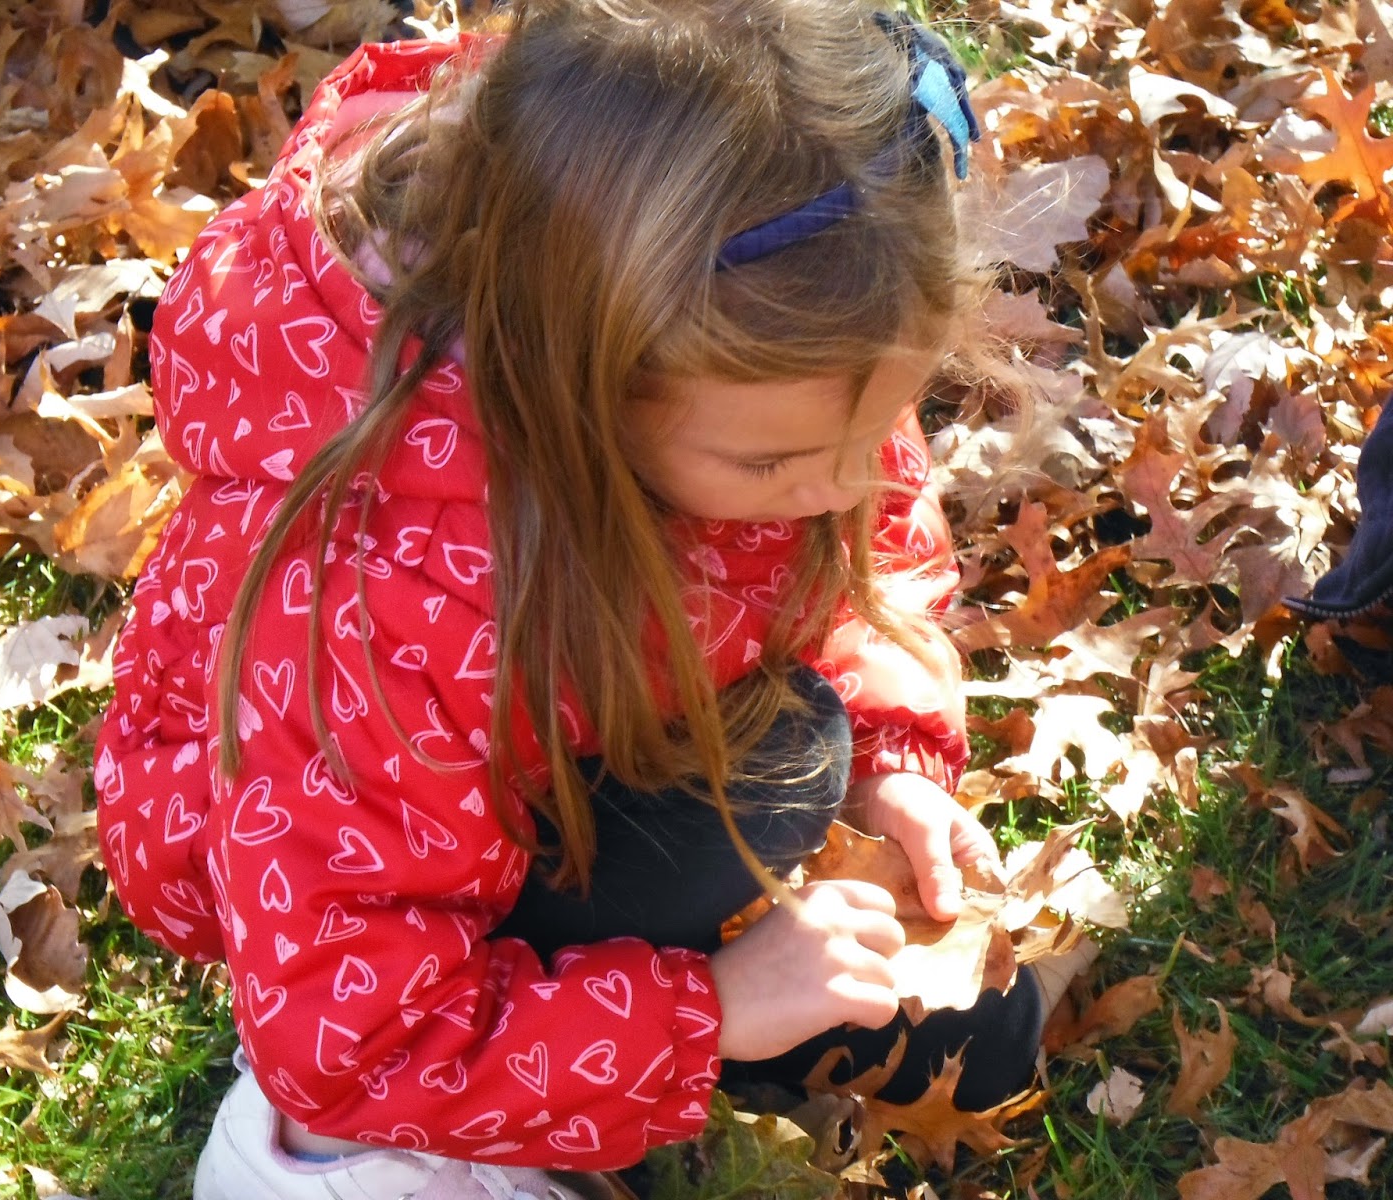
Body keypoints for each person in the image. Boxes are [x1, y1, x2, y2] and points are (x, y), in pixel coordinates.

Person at [93, 3, 1043, 1197]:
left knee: (806, 764)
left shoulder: (772, 368)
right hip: (337, 913)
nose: (846, 484)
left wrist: (892, 756)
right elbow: (345, 1034)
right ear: (575, 382)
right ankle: (340, 1165)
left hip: (552, 741)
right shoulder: (390, 590)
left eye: (872, 427)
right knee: (367, 1065)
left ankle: (598, 1003)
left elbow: (865, 535)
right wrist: (704, 1017)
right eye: (775, 468)